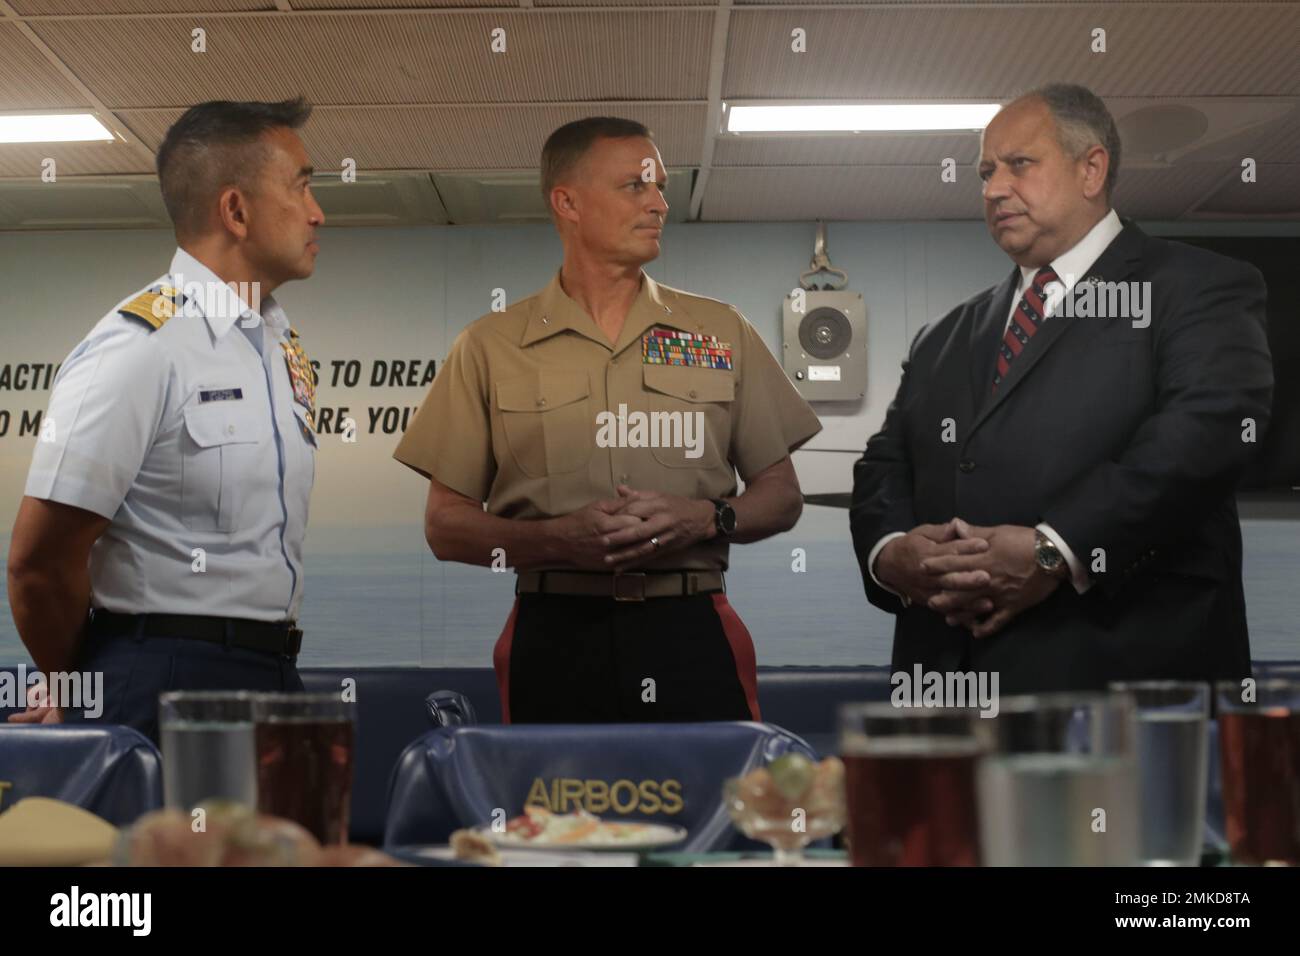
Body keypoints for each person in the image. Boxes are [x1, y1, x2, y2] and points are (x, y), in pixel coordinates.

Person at [394, 117, 822, 723]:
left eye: (661, 187)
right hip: (554, 632)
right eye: (635, 186)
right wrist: (554, 541)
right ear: (566, 202)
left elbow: (781, 497)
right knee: (555, 817)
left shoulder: (719, 332)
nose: (659, 203)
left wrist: (707, 517)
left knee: (710, 812)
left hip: (691, 628)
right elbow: (446, 527)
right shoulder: (490, 346)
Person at [850, 83, 1273, 693]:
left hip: (1124, 694)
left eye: (1019, 164)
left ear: (1091, 168)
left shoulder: (1197, 288)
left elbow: (1204, 437)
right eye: (986, 172)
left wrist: (1056, 550)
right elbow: (884, 465)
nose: (994, 188)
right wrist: (892, 554)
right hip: (946, 693)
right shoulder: (941, 335)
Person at [6, 98, 326, 740]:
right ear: (235, 211)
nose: (319, 212)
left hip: (274, 670)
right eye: (301, 186)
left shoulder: (274, 345)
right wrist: (77, 685)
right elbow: (38, 562)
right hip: (164, 674)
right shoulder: (140, 346)